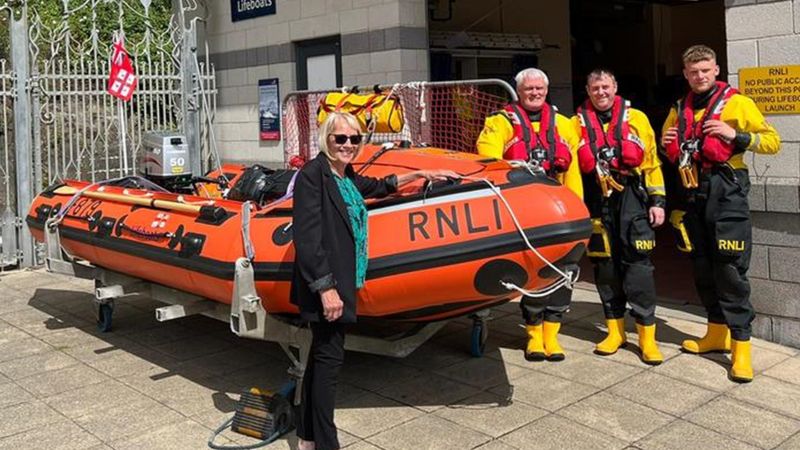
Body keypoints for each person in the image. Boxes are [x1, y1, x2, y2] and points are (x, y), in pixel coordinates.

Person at [291, 111, 457, 450]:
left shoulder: (345, 175)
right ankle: (326, 443)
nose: (348, 145)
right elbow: (307, 239)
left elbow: (380, 186)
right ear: (326, 138)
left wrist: (421, 174)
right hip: (327, 287)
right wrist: (326, 289)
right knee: (329, 363)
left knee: (321, 359)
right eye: (340, 138)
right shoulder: (313, 175)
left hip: (340, 281)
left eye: (355, 139)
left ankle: (307, 436)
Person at [661, 45, 780, 382]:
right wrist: (666, 141)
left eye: (705, 70)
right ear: (686, 74)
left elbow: (772, 142)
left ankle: (741, 348)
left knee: (730, 270)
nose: (700, 76)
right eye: (693, 71)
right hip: (693, 192)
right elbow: (669, 147)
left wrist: (735, 135)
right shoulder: (678, 108)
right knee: (702, 267)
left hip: (726, 192)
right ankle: (715, 334)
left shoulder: (738, 103)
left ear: (716, 70)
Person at [477, 68, 582, 362]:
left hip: (558, 208)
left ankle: (552, 334)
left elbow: (573, 170)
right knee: (532, 270)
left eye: (539, 88)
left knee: (564, 269)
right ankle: (534, 333)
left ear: (546, 91)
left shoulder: (564, 125)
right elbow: (488, 161)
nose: (534, 93)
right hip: (522, 210)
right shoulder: (500, 123)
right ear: (519, 91)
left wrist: (578, 208)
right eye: (528, 89)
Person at [572, 69, 666, 365]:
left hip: (632, 198)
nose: (601, 92)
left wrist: (658, 201)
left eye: (605, 86)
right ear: (588, 91)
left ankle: (647, 338)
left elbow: (651, 162)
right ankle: (615, 332)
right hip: (597, 201)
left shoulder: (637, 118)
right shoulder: (575, 124)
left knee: (639, 267)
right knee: (605, 267)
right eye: (595, 88)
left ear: (615, 87)